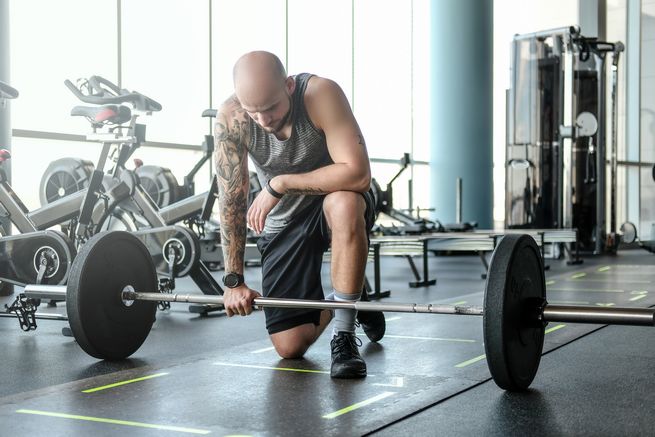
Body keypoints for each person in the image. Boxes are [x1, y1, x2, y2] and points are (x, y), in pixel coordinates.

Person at [213, 51, 385, 379]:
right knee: (290, 347)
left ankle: (345, 336)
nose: (264, 120)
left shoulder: (320, 94)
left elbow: (358, 174)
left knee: (344, 202)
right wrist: (234, 281)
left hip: (334, 203)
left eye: (272, 107)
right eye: (254, 112)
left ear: (289, 85)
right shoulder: (231, 117)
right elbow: (231, 199)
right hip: (285, 221)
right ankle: (351, 292)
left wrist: (281, 183)